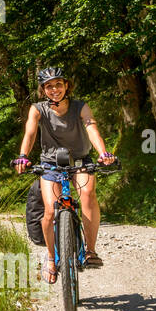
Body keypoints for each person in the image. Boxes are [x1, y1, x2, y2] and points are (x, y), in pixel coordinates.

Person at [12, 67, 115, 283]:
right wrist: (23, 156)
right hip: (50, 163)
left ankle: (90, 251)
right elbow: (30, 133)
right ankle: (51, 258)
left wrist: (103, 153)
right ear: (43, 90)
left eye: (58, 84)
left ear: (66, 86)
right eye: (49, 86)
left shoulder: (80, 107)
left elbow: (91, 127)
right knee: (50, 211)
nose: (54, 89)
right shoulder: (38, 109)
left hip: (80, 160)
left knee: (87, 194)